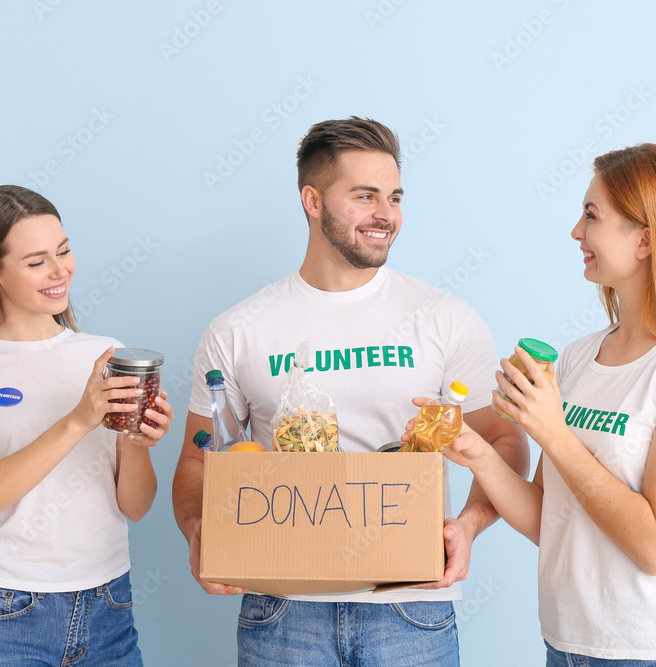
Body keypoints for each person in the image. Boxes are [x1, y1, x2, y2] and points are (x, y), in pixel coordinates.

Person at [172, 117, 529, 666]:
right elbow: (198, 463)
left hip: (408, 604)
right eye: (365, 196)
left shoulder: (443, 318)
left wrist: (469, 525)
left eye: (394, 197)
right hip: (283, 606)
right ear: (312, 201)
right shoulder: (238, 329)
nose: (386, 214)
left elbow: (504, 442)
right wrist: (200, 529)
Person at [425, 144, 656, 665]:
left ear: (645, 239)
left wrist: (553, 431)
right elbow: (551, 520)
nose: (576, 232)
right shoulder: (579, 357)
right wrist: (475, 453)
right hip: (568, 650)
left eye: (591, 215)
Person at [0, 185, 173, 666]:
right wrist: (78, 419)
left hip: (108, 606)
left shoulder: (106, 355)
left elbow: (135, 507)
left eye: (64, 251)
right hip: (3, 615)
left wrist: (137, 442)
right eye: (36, 262)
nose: (60, 272)